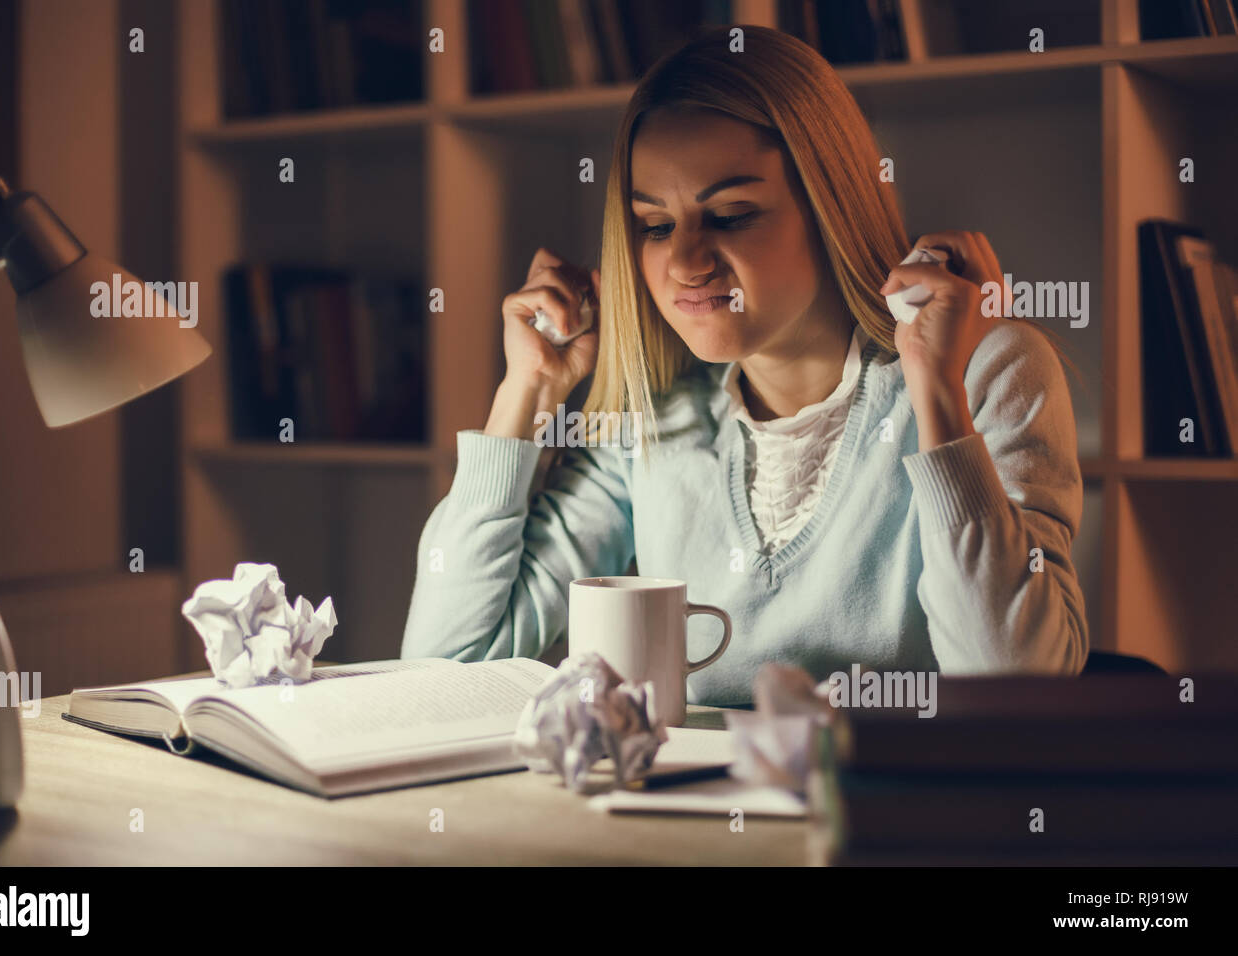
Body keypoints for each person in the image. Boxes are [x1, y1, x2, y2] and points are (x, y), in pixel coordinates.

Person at [400, 25, 1089, 703]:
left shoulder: (988, 372)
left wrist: (937, 395)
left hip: (884, 816)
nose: (685, 263)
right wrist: (527, 392)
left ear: (831, 207)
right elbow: (444, 665)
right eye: (655, 226)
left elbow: (1015, 687)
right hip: (693, 815)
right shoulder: (658, 415)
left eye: (730, 214)